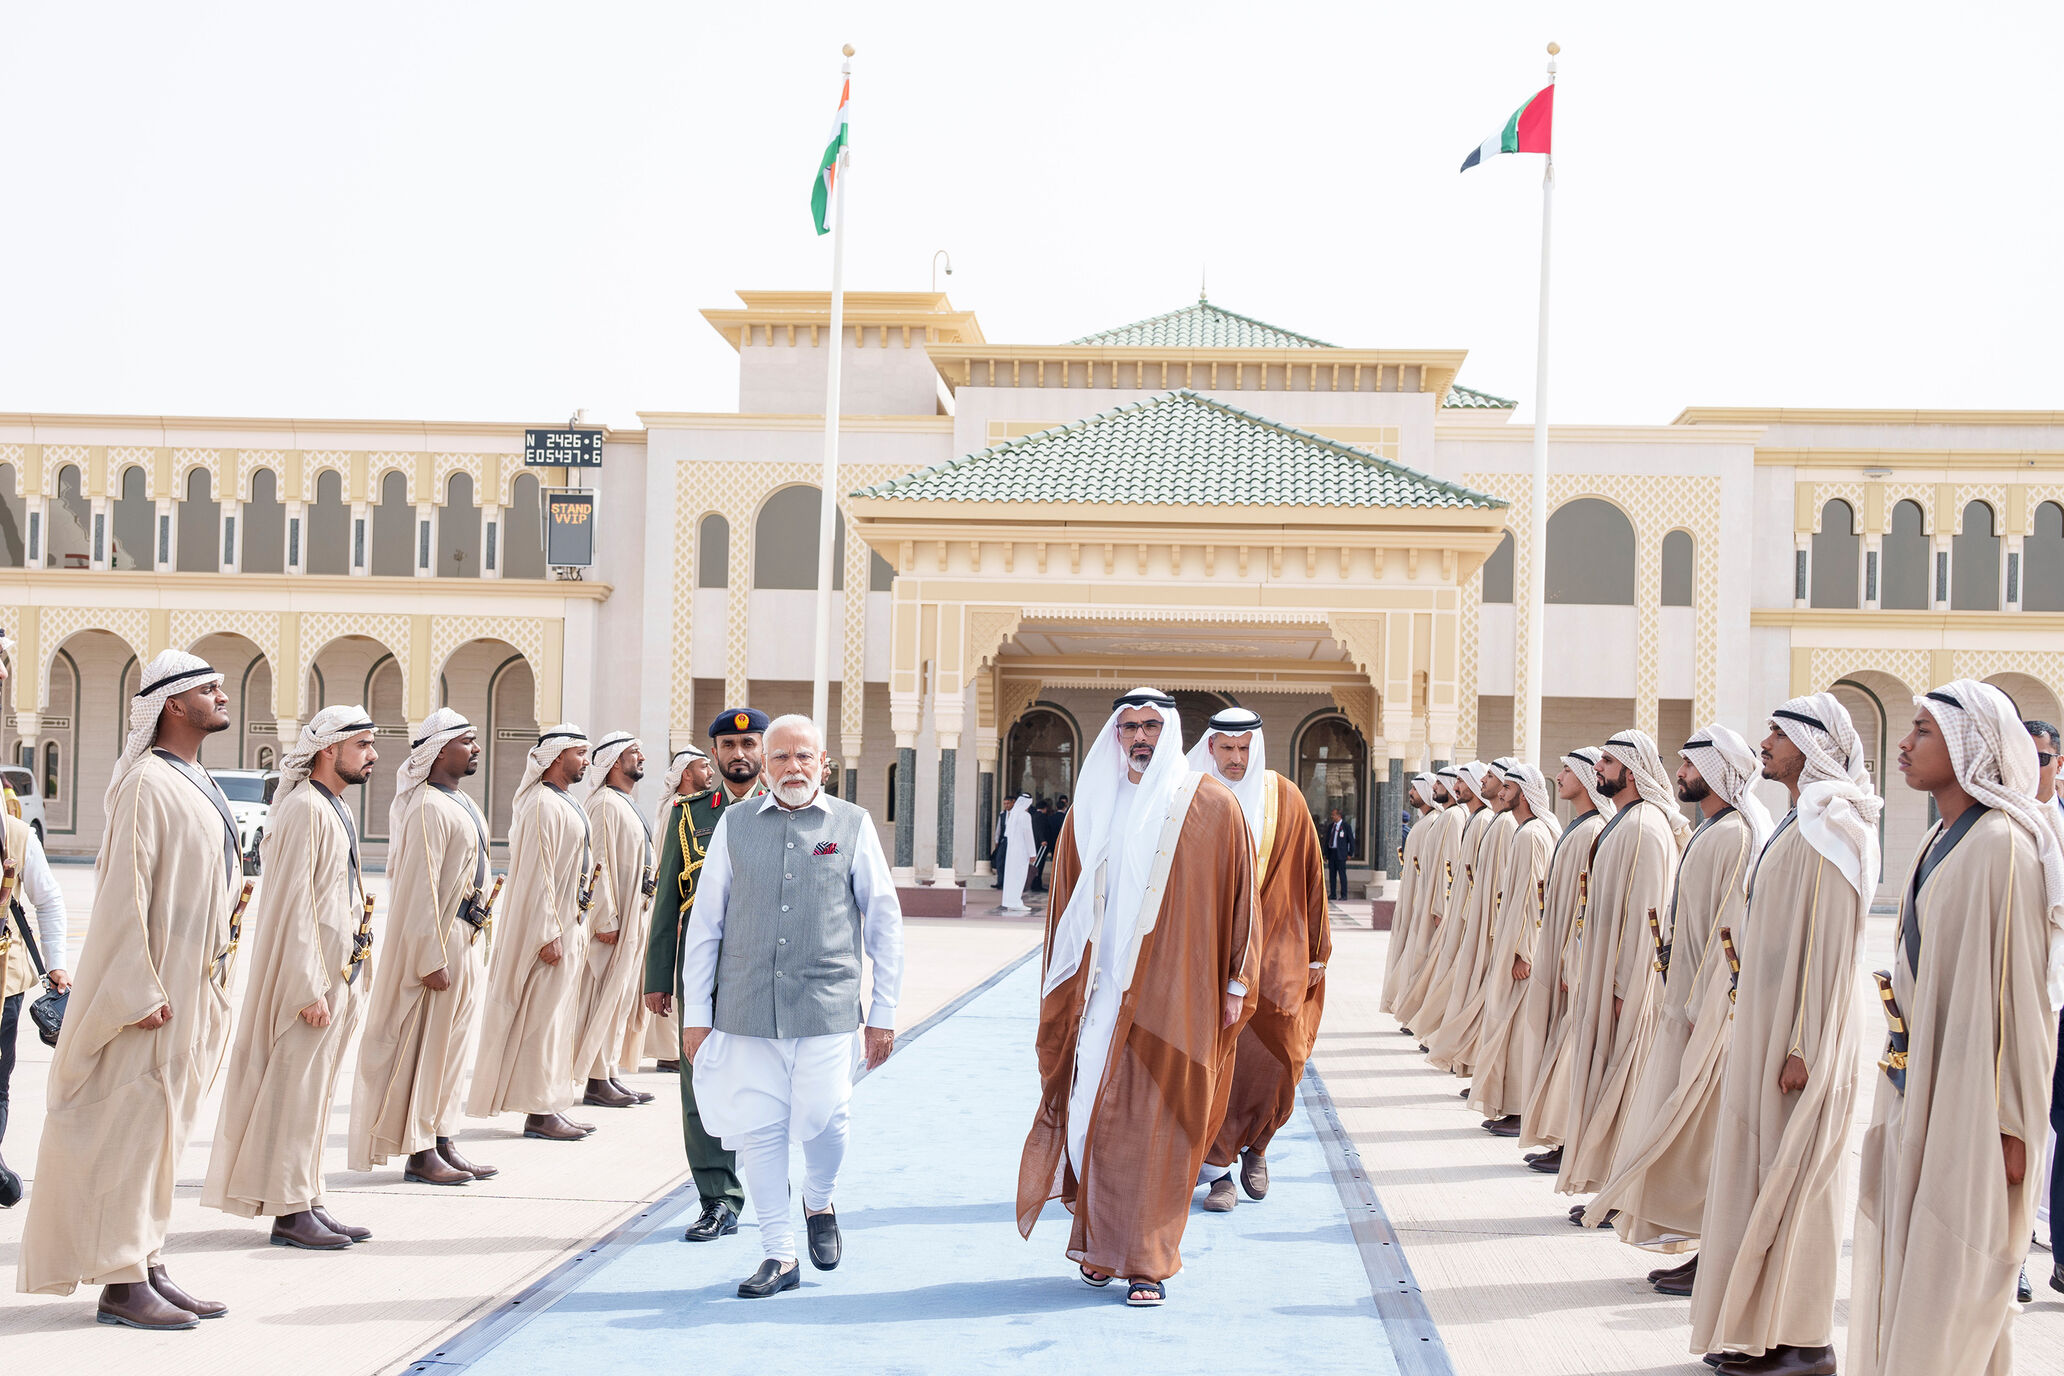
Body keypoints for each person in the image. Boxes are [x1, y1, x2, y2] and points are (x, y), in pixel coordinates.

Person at [17, 649, 242, 1328]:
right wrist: (137, 988)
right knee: (133, 1133)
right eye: (209, 688)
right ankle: (119, 1281)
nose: (222, 694)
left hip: (192, 989)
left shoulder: (193, 778)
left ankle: (146, 1257)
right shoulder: (146, 782)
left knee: (164, 1137)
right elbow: (123, 895)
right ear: (172, 704)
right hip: (152, 998)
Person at [1016, 688, 1257, 1308]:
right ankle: (1100, 1242)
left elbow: (1240, 903)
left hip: (1178, 994)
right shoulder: (1093, 804)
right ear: (1115, 735)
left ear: (1170, 732)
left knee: (1161, 1122)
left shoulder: (1210, 806)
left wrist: (1236, 982)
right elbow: (1065, 906)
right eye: (1129, 727)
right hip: (1099, 993)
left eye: (1152, 725)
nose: (1141, 737)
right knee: (1089, 1114)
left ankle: (1148, 1259)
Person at [1849, 681, 2061, 1376]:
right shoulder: (1944, 837)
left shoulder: (2001, 845)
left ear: (1971, 748)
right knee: (1923, 1274)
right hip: (1926, 1085)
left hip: (1975, 1110)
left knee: (1957, 1286)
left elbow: (2020, 1007)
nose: (1903, 746)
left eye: (1923, 733)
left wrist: (2014, 1127)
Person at [681, 714, 904, 1299]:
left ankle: (819, 1197)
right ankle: (779, 1255)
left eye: (804, 757)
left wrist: (883, 1012)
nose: (793, 768)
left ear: (823, 763)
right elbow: (705, 924)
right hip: (747, 1009)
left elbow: (883, 920)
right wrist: (696, 1015)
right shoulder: (734, 825)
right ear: (766, 764)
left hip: (826, 1006)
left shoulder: (849, 826)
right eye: (780, 757)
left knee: (827, 1118)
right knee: (761, 1132)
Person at [1690, 692, 1881, 1375]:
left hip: (1800, 1042)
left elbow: (1829, 950)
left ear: (1813, 743)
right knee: (1768, 1177)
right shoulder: (1801, 821)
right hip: (1770, 1029)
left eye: (1779, 731)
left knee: (1802, 1181)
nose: (1764, 741)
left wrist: (1802, 1043)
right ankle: (1762, 1329)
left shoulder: (1836, 825)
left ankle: (1804, 1341)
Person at [1582, 725, 1769, 1293]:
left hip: (1705, 1014)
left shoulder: (1736, 834)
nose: (1680, 774)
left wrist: (1702, 1008)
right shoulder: (1713, 831)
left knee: (1706, 1138)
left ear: (1716, 772)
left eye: (1691, 766)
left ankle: (1712, 1255)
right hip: (1681, 1005)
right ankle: (1698, 1244)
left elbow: (1728, 935)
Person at [204, 706, 380, 1250]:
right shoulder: (305, 807)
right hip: (310, 984)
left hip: (336, 975)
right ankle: (288, 1209)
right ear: (330, 749)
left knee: (314, 1097)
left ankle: (307, 1197)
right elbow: (293, 904)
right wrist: (308, 986)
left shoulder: (333, 807)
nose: (372, 756)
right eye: (363, 745)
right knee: (292, 1093)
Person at [348, 708, 497, 1186]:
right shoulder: (428, 806)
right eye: (467, 741)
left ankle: (445, 1136)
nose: (476, 749)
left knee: (453, 1051)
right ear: (438, 751)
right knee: (428, 1050)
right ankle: (420, 1149)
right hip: (440, 940)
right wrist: (430, 955)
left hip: (465, 937)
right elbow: (418, 889)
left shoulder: (460, 803)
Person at [1190, 707, 1328, 1212]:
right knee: (1217, 1059)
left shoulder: (1283, 798)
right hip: (1212, 955)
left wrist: (1317, 951)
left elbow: (1312, 875)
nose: (1236, 758)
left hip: (1277, 956)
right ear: (1210, 748)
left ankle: (1258, 1145)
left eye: (1245, 748)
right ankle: (1218, 1169)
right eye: (1226, 748)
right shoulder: (1193, 797)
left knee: (1280, 1056)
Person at [642, 709, 766, 1243]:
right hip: (702, 971)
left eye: (749, 743)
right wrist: (657, 976)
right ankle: (717, 1198)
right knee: (701, 1084)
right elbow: (667, 894)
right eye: (728, 745)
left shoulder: (787, 810)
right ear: (712, 755)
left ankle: (777, 1192)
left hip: (766, 970)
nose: (739, 754)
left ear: (764, 750)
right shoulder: (690, 814)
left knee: (766, 1081)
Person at [1555, 730, 1688, 1205]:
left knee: (1626, 1085)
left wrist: (1624, 987)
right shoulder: (1626, 822)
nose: (1599, 771)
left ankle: (1621, 1194)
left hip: (1626, 989)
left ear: (1630, 772)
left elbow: (1647, 919)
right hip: (1605, 980)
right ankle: (1605, 1184)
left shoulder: (1645, 828)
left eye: (1607, 763)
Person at [466, 725, 596, 1142]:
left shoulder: (564, 802)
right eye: (580, 752)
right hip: (551, 931)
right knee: (541, 1022)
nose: (586, 760)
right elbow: (537, 873)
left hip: (569, 925)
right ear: (558, 757)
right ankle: (539, 1112)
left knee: (558, 1022)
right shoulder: (542, 803)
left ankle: (553, 1102)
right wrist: (547, 932)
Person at [1518, 749, 1617, 1173]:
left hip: (1578, 964)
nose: (1558, 777)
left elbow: (1586, 907)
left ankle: (1568, 1142)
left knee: (1572, 1055)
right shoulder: (1579, 829)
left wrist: (1570, 961)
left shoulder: (1595, 829)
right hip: (1563, 957)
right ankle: (1561, 1139)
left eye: (1567, 771)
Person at [0, 643, 69, 1210]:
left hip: (5, 982)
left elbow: (47, 900)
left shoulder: (15, 836)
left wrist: (58, 963)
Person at [1467, 763, 1562, 1134]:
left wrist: (1524, 951)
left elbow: (1534, 897)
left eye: (1507, 787)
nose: (1501, 792)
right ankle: (1509, 1105)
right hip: (1512, 941)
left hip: (1523, 952)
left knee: (1521, 1030)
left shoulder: (1531, 835)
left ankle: (1521, 1109)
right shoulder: (1523, 831)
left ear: (1522, 793)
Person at [571, 732, 657, 1110]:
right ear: (611, 762)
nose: (640, 757)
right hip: (615, 921)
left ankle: (608, 1072)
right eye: (632, 752)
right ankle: (594, 1079)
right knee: (604, 997)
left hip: (634, 915)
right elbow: (598, 864)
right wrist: (605, 917)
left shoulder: (625, 803)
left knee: (621, 998)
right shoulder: (604, 804)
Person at [1427, 759, 1523, 1077]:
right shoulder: (1484, 820)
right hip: (1475, 917)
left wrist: (1497, 928)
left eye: (1490, 778)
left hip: (1492, 927)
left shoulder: (1501, 824)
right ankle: (1467, 1060)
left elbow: (1510, 885)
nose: (1459, 787)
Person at [1404, 762, 1494, 1050]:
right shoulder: (1461, 817)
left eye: (1456, 783)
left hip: (1460, 911)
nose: (1450, 788)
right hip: (1455, 908)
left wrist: (1443, 905)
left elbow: (1454, 867)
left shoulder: (1466, 819)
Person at [640, 746, 714, 1073]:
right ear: (687, 774)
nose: (710, 773)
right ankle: (671, 1052)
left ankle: (670, 1050)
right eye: (704, 767)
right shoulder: (679, 811)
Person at [2028, 718, 2064, 1299]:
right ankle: (2012, 1266)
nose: (2035, 767)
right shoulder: (2002, 827)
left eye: (2044, 758)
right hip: (2023, 1004)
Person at [1394, 769, 1469, 1037]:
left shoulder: (1451, 818)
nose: (1412, 793)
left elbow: (1449, 865)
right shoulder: (1441, 819)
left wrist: (1441, 906)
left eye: (1440, 783)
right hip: (1424, 900)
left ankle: (1427, 1022)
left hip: (1438, 906)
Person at [1378, 774, 1442, 1016]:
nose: (1410, 793)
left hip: (1422, 903)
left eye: (1415, 789)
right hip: (1413, 901)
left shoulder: (1435, 823)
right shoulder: (1424, 823)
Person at [998, 792, 1035, 914]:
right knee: (1019, 877)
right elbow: (1028, 835)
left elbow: (1007, 834)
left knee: (1011, 877)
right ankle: (1016, 902)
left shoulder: (1012, 814)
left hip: (1011, 851)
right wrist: (1032, 853)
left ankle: (1010, 901)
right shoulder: (1025, 816)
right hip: (1021, 851)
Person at [1322, 806, 1356, 901]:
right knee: (1332, 875)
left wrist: (1350, 853)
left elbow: (1351, 841)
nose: (1332, 816)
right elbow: (1326, 840)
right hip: (1332, 853)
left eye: (1333, 815)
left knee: (1342, 875)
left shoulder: (1346, 826)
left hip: (1341, 854)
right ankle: (1333, 894)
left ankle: (1344, 895)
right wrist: (1325, 853)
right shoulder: (1330, 827)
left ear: (1339, 815)